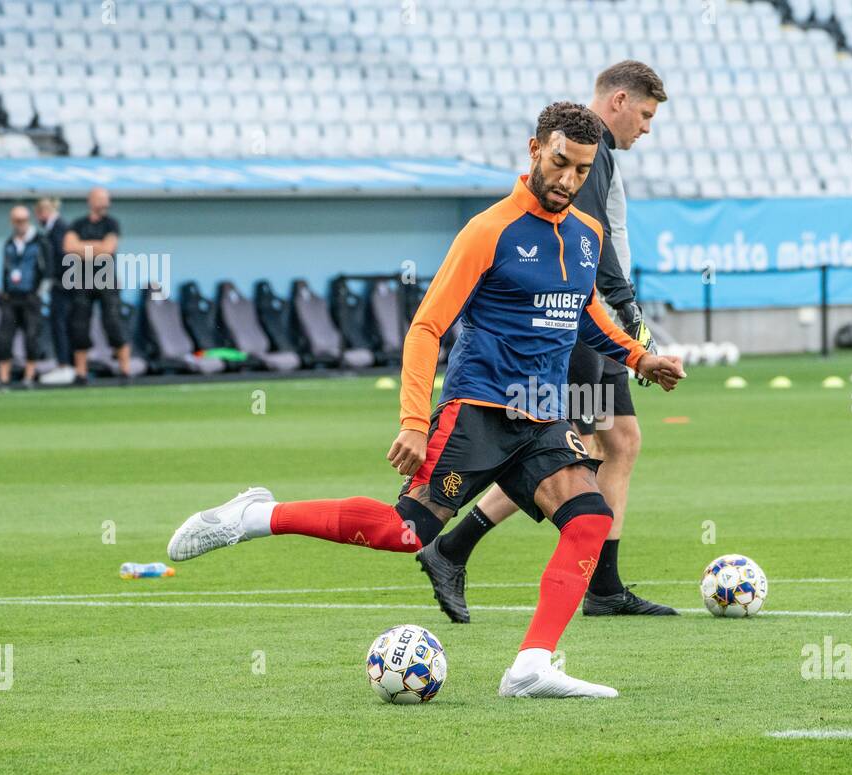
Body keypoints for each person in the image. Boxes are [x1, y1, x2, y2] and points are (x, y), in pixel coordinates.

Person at [166, 102, 687, 699]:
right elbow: (425, 327)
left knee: (589, 518)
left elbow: (584, 309)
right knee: (404, 532)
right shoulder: (488, 231)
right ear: (535, 149)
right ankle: (255, 516)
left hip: (544, 415)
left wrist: (637, 356)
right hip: (480, 408)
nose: (568, 181)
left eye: (580, 170)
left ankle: (531, 667)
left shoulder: (587, 234)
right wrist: (415, 422)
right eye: (560, 163)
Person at [416, 60, 674, 624]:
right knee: (577, 446)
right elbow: (581, 238)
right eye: (646, 115)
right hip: (569, 319)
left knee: (601, 444)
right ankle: (592, 584)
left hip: (581, 316)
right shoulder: (591, 151)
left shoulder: (592, 155)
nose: (647, 128)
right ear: (620, 100)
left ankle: (460, 551)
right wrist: (626, 306)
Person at [64, 187, 130, 385]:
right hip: (82, 280)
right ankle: (81, 372)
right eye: (101, 200)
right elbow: (69, 248)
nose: (105, 204)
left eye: (107, 200)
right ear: (91, 201)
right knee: (79, 326)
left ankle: (125, 370)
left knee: (113, 323)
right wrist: (96, 247)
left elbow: (107, 250)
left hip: (106, 280)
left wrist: (83, 247)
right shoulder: (78, 224)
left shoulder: (111, 224)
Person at [0, 205, 50, 389]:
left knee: (32, 337)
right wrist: (4, 290)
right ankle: (3, 378)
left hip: (30, 296)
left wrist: (40, 293)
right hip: (11, 296)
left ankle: (29, 376)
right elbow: (5, 269)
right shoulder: (9, 243)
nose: (21, 224)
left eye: (24, 220)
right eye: (17, 221)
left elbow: (48, 270)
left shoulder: (40, 242)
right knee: (4, 338)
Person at [35, 196, 75, 382]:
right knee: (60, 324)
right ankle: (65, 364)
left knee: (60, 324)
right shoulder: (54, 229)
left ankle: (65, 366)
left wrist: (50, 280)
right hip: (63, 283)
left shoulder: (58, 228)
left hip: (63, 285)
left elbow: (60, 257)